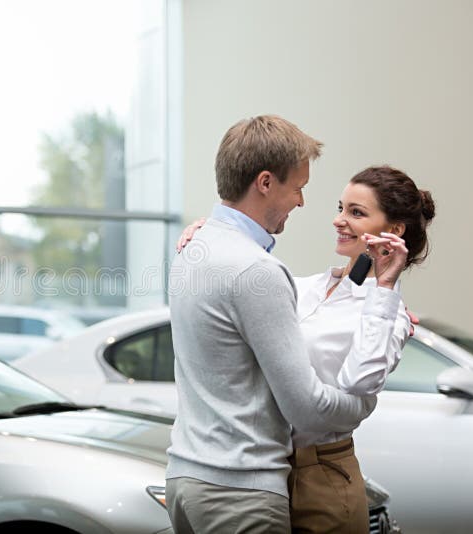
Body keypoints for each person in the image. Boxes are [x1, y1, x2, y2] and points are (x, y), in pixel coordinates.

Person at [166, 115, 408, 534]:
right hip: (242, 485)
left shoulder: (204, 253)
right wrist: (363, 408)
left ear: (394, 232)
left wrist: (385, 301)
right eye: (299, 188)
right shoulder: (275, 276)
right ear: (264, 182)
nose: (303, 203)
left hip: (288, 477)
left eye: (356, 212)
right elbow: (307, 408)